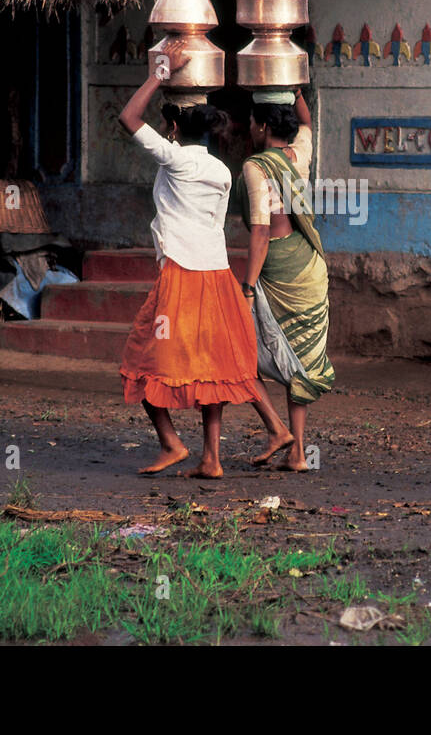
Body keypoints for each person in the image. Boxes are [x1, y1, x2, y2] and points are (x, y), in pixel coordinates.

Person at [116, 40, 263, 478]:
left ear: (174, 127)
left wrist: (161, 73)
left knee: (142, 358)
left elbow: (127, 117)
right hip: (216, 273)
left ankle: (171, 443)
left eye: (167, 125)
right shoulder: (222, 170)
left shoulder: (175, 159)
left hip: (181, 271)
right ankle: (211, 458)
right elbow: (217, 224)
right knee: (211, 365)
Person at [240, 89, 335, 471]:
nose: (249, 128)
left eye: (251, 122)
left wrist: (247, 287)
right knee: (302, 362)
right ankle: (297, 453)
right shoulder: (300, 155)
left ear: (263, 127)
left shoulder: (256, 166)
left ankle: (279, 433)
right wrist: (296, 91)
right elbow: (308, 124)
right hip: (310, 267)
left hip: (278, 267)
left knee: (239, 351)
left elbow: (261, 233)